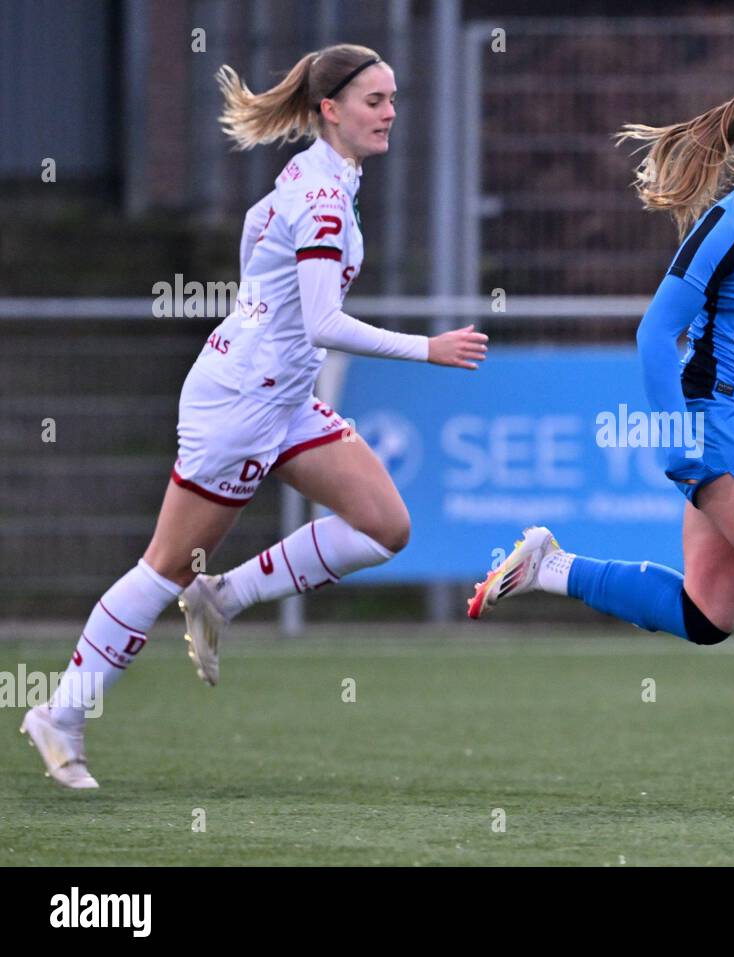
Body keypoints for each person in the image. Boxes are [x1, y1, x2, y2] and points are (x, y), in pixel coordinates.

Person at [21, 43, 488, 789]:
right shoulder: (324, 196)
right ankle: (61, 713)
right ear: (330, 109)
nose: (391, 111)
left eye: (394, 97)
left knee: (385, 526)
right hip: (242, 402)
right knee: (165, 563)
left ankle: (224, 596)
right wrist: (427, 348)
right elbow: (322, 322)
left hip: (281, 396)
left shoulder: (315, 176)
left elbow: (258, 245)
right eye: (375, 100)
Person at [467, 77, 734, 803]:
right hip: (717, 419)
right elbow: (656, 332)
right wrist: (673, 435)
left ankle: (551, 566)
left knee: (705, 615)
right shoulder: (728, 226)